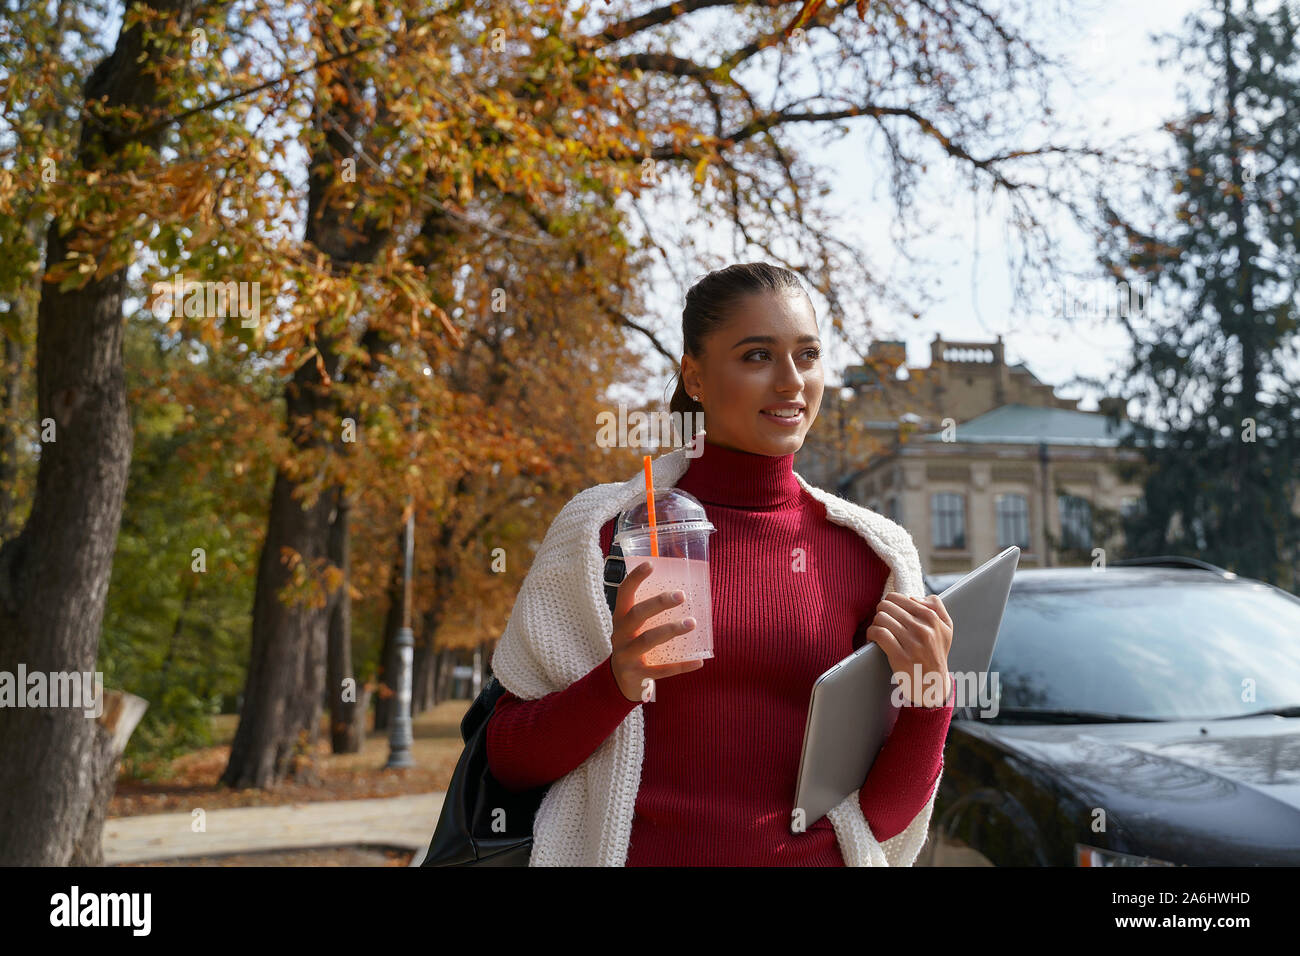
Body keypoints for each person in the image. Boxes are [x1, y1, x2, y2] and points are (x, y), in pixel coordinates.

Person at [487, 262, 955, 866]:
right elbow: (509, 758)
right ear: (696, 376)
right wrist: (617, 683)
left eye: (807, 354)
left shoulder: (874, 553)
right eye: (757, 356)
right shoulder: (600, 530)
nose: (791, 382)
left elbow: (879, 821)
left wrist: (931, 698)